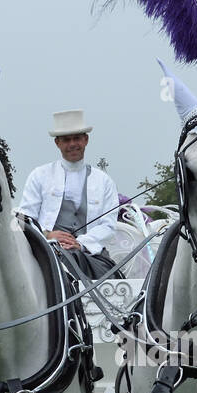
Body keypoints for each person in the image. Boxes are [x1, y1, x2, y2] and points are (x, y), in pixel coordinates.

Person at [17, 109, 123, 280]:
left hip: (92, 257)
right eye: (66, 140)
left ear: (86, 140)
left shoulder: (104, 181)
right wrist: (47, 235)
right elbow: (24, 220)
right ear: (57, 143)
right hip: (48, 254)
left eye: (77, 138)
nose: (72, 144)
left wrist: (80, 243)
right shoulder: (39, 176)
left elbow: (108, 226)